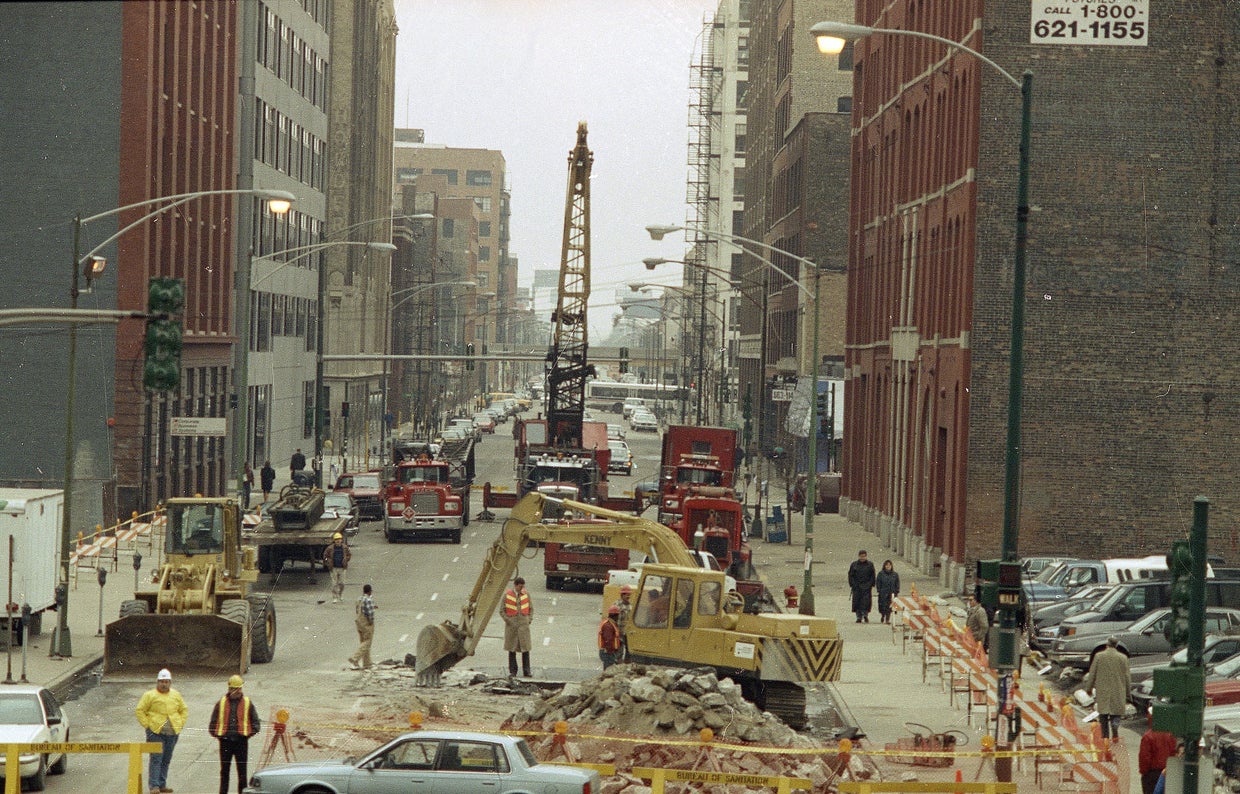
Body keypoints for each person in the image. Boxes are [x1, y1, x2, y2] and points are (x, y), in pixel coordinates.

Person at [135, 668, 188, 794]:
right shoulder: (149, 695)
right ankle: (154, 786)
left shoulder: (176, 695)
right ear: (157, 682)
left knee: (166, 759)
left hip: (172, 733)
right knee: (156, 759)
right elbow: (140, 710)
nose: (164, 684)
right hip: (156, 733)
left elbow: (184, 709)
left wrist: (180, 723)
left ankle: (162, 785)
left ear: (170, 683)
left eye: (166, 682)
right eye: (161, 682)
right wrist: (147, 725)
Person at [208, 674, 261, 794]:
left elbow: (256, 723)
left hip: (241, 742)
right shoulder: (221, 703)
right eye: (234, 688)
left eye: (239, 688)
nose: (237, 691)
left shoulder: (247, 703)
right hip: (225, 742)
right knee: (224, 771)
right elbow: (213, 722)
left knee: (242, 772)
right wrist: (219, 736)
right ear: (229, 689)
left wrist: (248, 734)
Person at [1083, 635, 1131, 743]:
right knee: (1116, 713)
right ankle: (1115, 726)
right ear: (1116, 645)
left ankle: (1105, 737)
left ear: (1106, 645)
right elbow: (1127, 677)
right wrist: (1128, 693)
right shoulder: (1123, 658)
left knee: (1103, 715)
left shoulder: (1099, 656)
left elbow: (1092, 673)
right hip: (1118, 690)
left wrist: (1089, 688)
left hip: (1103, 690)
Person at [1139, 710, 1178, 794]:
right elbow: (1173, 753)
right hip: (1167, 772)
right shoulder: (1170, 735)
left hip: (1152, 774)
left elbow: (1144, 758)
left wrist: (1144, 772)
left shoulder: (1148, 737)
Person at [502, 576, 533, 677]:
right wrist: (508, 620)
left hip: (523, 627)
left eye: (523, 586)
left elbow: (531, 609)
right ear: (515, 585)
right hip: (512, 628)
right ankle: (513, 671)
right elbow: (502, 611)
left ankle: (527, 671)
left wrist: (529, 619)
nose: (522, 588)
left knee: (525, 650)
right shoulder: (507, 595)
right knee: (512, 650)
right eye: (520, 586)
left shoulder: (526, 594)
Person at [347, 584, 376, 669]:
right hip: (366, 623)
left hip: (359, 622)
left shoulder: (359, 599)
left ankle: (367, 663)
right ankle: (354, 659)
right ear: (370, 591)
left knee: (363, 642)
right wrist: (371, 622)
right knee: (367, 642)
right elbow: (370, 614)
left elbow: (357, 610)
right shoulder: (369, 600)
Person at [847, 550, 876, 623]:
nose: (862, 558)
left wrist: (870, 584)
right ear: (859, 556)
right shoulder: (854, 565)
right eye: (861, 556)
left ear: (866, 556)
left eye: (864, 556)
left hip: (866, 586)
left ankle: (865, 615)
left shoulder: (870, 564)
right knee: (857, 602)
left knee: (866, 602)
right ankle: (858, 617)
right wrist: (853, 584)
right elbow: (851, 575)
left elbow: (872, 575)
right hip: (857, 586)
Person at [322, 532, 351, 603]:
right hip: (334, 568)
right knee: (334, 583)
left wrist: (346, 560)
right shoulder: (330, 548)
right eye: (336, 539)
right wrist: (328, 562)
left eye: (339, 539)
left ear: (341, 540)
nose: (338, 541)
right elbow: (325, 556)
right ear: (334, 540)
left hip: (342, 568)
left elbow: (349, 555)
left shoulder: (345, 547)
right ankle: (334, 597)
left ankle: (340, 595)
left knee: (342, 583)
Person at [612, 585, 633, 661]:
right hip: (618, 632)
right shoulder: (617, 605)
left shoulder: (631, 606)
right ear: (622, 595)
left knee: (629, 652)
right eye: (626, 594)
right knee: (619, 652)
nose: (628, 596)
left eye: (629, 595)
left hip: (627, 633)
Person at [876, 559, 900, 624]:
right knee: (883, 606)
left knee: (889, 607)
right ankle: (883, 615)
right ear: (884, 566)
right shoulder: (881, 574)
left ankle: (887, 619)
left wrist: (896, 591)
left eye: (889, 565)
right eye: (886, 565)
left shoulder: (895, 574)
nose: (888, 566)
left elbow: (897, 583)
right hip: (883, 593)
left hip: (891, 593)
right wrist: (879, 590)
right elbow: (878, 582)